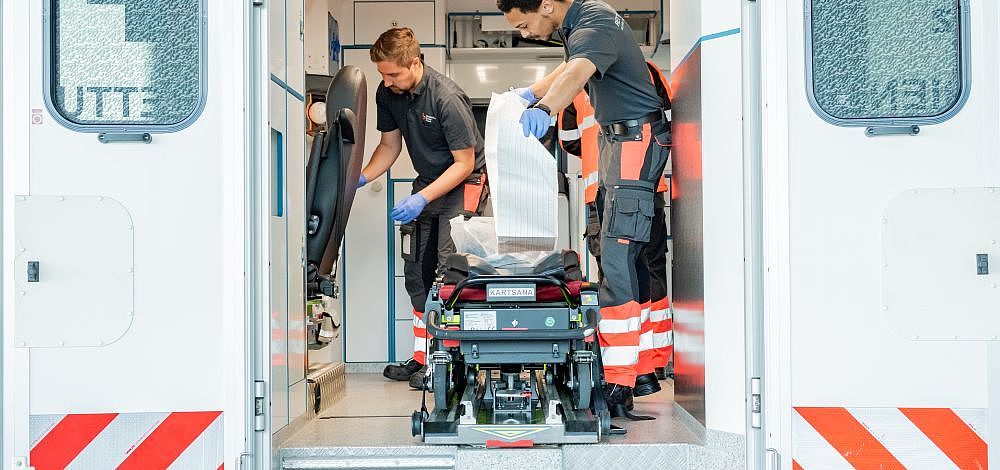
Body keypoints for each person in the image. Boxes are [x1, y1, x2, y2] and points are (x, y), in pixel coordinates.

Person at [499, 0, 671, 417]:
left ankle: (618, 383)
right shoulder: (578, 28)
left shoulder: (592, 20)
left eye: (525, 24)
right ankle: (632, 376)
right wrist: (530, 93)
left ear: (545, 5)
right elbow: (569, 69)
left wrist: (545, 108)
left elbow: (577, 73)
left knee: (617, 258)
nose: (524, 33)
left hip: (634, 140)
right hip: (619, 141)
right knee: (621, 259)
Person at [359, 27, 489, 389]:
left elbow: (464, 163)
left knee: (450, 273)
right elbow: (388, 147)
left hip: (464, 183)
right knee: (417, 271)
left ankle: (449, 362)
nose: (386, 81)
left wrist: (421, 198)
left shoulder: (446, 97)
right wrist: (361, 177)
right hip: (430, 182)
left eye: (393, 74)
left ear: (415, 63)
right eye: (382, 74)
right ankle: (423, 357)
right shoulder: (389, 94)